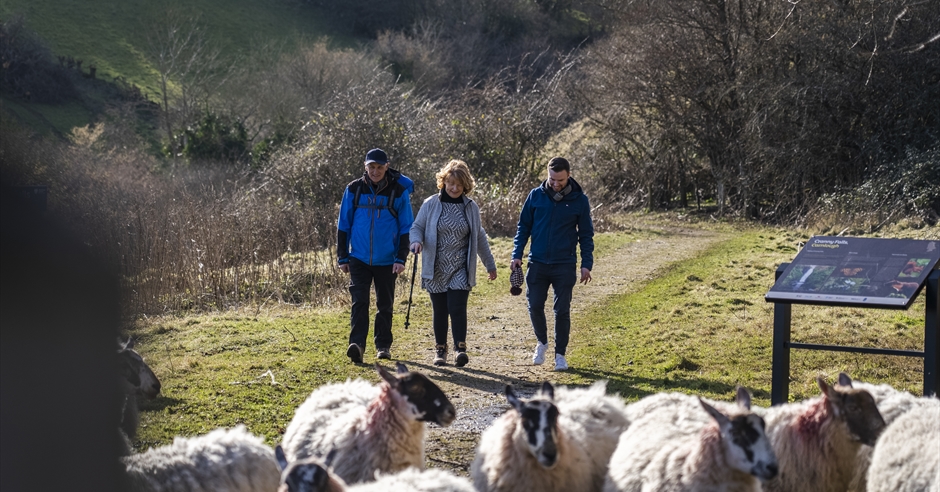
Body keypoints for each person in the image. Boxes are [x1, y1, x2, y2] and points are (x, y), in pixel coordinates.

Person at [410, 160, 497, 367]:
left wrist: (490, 265)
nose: (455, 188)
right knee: (440, 310)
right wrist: (416, 241)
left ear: (465, 185)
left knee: (457, 307)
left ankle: (460, 348)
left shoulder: (470, 207)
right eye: (451, 183)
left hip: (460, 266)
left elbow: (480, 237)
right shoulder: (431, 203)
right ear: (444, 182)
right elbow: (417, 226)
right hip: (436, 266)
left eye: (459, 184)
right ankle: (440, 350)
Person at [510, 156, 594, 371]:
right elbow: (523, 227)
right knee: (535, 305)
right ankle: (542, 343)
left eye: (561, 180)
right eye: (552, 179)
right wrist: (517, 254)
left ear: (569, 176)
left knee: (562, 310)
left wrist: (587, 264)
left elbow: (586, 234)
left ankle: (560, 355)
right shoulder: (535, 196)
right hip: (537, 262)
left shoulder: (579, 200)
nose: (556, 184)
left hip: (564, 264)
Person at [337, 148, 414, 363]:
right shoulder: (353, 189)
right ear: (365, 166)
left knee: (385, 305)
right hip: (358, 258)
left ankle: (383, 345)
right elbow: (344, 223)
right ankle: (357, 346)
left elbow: (406, 227)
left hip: (388, 260)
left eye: (380, 167)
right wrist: (342, 257)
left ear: (387, 167)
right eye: (371, 166)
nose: (375, 171)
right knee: (359, 302)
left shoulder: (398, 192)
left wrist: (401, 258)